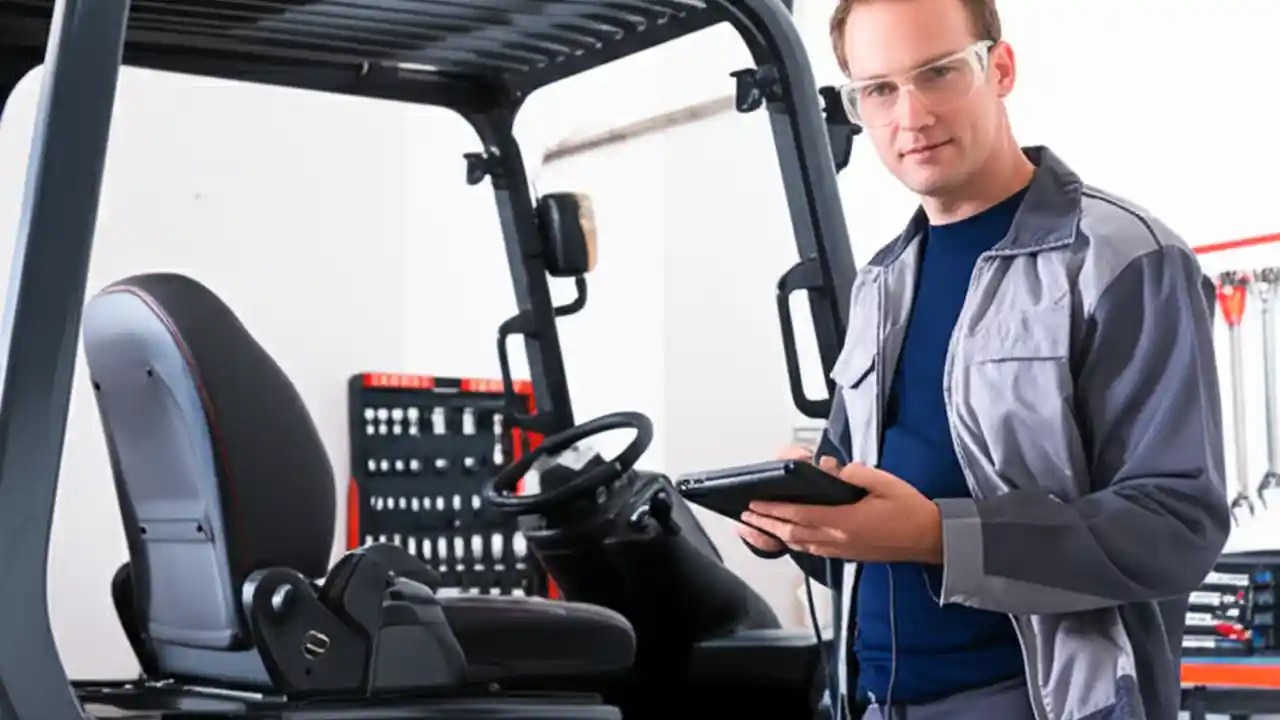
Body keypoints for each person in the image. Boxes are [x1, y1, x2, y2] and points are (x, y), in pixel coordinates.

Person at [738, 0, 1231, 718]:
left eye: (937, 73)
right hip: (872, 701)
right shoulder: (880, 284)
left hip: (1035, 703)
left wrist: (939, 536)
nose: (911, 117)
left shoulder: (1126, 260)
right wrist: (795, 519)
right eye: (878, 90)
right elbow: (868, 532)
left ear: (999, 68)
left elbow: (1174, 526)